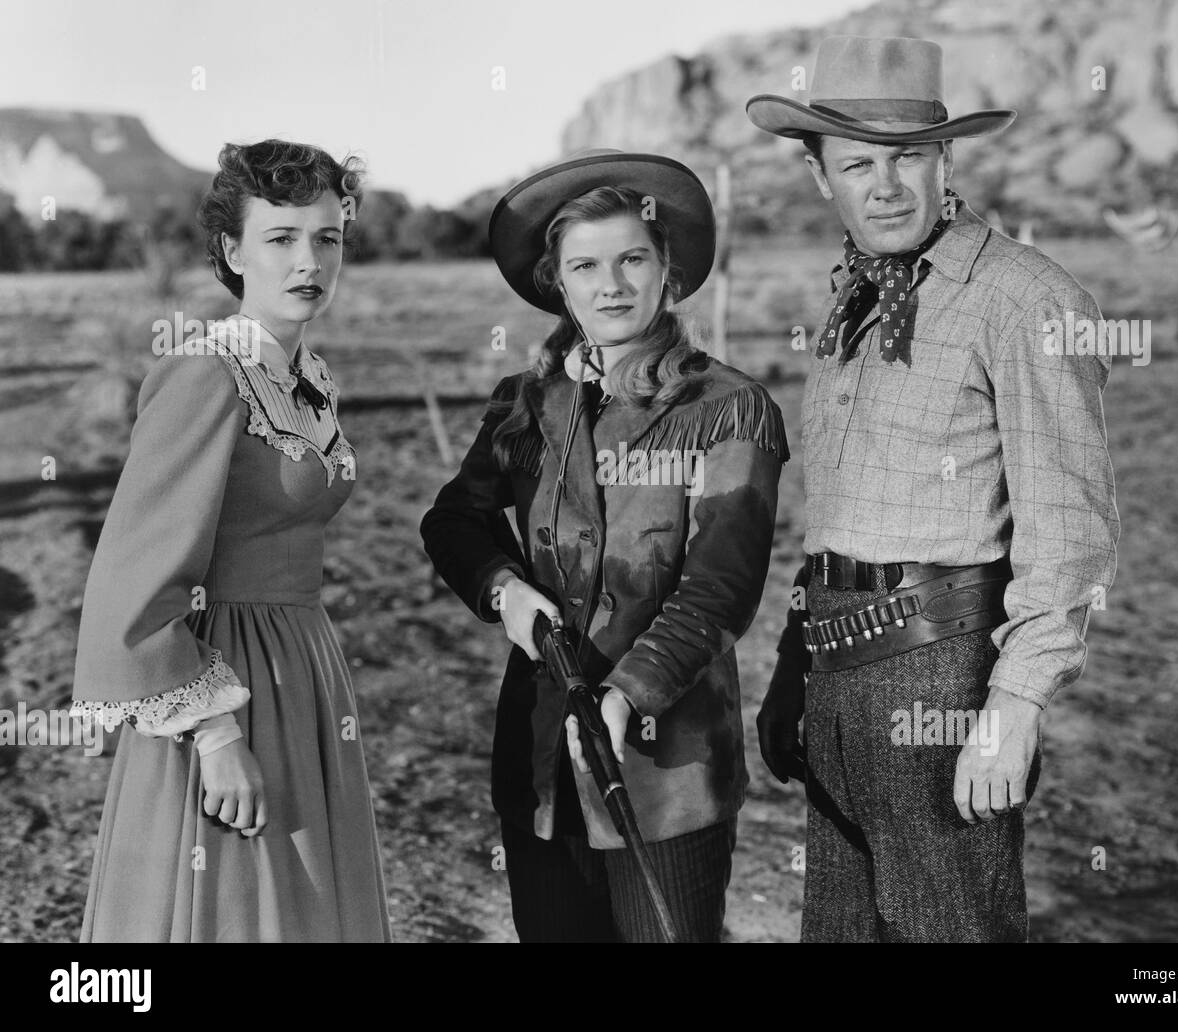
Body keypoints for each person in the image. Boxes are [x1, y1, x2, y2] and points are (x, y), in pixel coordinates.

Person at [747, 36, 1120, 942]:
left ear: (945, 156)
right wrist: (797, 668)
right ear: (817, 173)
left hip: (946, 673)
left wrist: (1017, 704)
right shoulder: (851, 301)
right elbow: (834, 517)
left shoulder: (1025, 297)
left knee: (951, 929)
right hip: (836, 665)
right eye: (858, 163)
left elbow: (1067, 521)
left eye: (908, 156)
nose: (886, 184)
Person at [421, 150, 788, 942]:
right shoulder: (526, 404)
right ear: (558, 281)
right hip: (539, 766)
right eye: (585, 264)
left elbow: (721, 587)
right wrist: (505, 593)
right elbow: (453, 520)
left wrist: (629, 698)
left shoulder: (729, 410)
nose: (611, 284)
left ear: (668, 271)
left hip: (668, 775)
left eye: (632, 259)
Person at [71, 139, 390, 942]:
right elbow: (132, 584)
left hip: (304, 665)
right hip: (225, 685)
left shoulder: (308, 376)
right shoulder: (205, 374)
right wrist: (215, 737)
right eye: (280, 238)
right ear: (230, 251)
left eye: (327, 237)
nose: (308, 260)